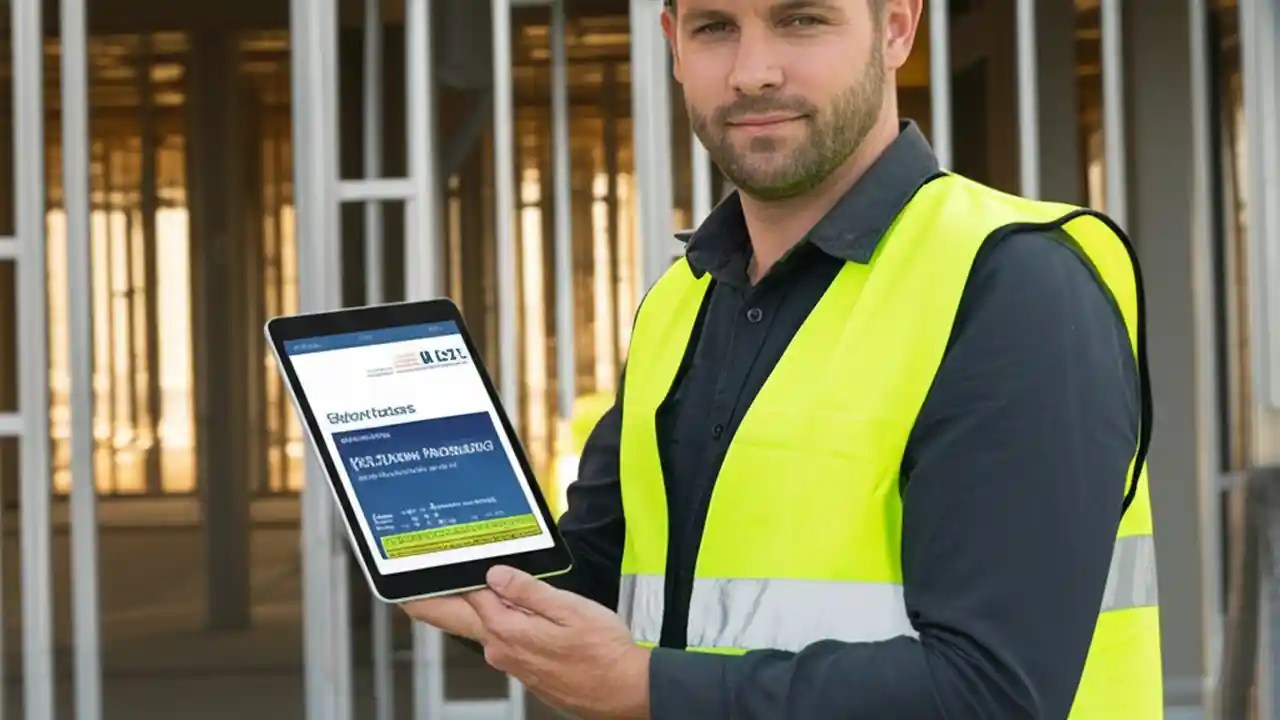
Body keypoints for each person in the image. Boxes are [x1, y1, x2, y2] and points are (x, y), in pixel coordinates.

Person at [403, 0, 1163, 717]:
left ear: (895, 27)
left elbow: (992, 689)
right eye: (714, 27)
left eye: (800, 19)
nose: (752, 71)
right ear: (673, 43)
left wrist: (647, 689)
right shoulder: (683, 300)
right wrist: (442, 536)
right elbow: (598, 582)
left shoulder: (1013, 285)